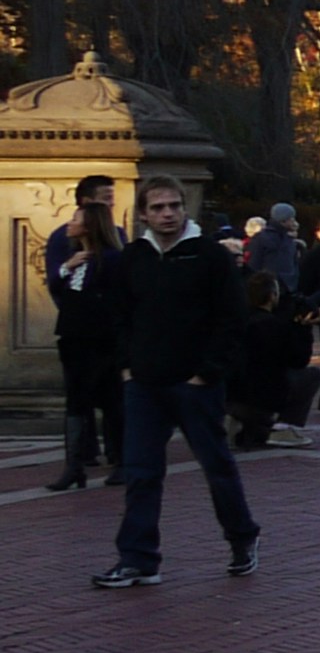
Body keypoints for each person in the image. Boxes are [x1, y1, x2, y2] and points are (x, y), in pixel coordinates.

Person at [91, 174, 262, 588]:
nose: (167, 214)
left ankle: (242, 538)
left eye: (173, 206)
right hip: (144, 384)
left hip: (195, 383)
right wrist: (127, 366)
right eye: (157, 207)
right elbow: (118, 316)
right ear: (144, 214)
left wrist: (207, 371)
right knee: (141, 472)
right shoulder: (133, 258)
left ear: (185, 209)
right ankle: (137, 558)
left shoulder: (209, 256)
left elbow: (232, 318)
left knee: (216, 465)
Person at [47, 173, 124, 489]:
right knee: (76, 403)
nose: (70, 223)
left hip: (103, 342)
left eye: (76, 219)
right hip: (74, 341)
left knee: (113, 402)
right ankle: (74, 465)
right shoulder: (70, 252)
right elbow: (59, 288)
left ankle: (121, 461)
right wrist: (68, 267)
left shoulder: (112, 259)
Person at [221, 270, 318, 449]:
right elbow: (298, 360)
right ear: (272, 296)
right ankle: (284, 428)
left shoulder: (236, 320)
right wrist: (303, 329)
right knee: (312, 375)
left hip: (229, 395)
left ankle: (235, 421)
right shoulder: (274, 326)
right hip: (264, 398)